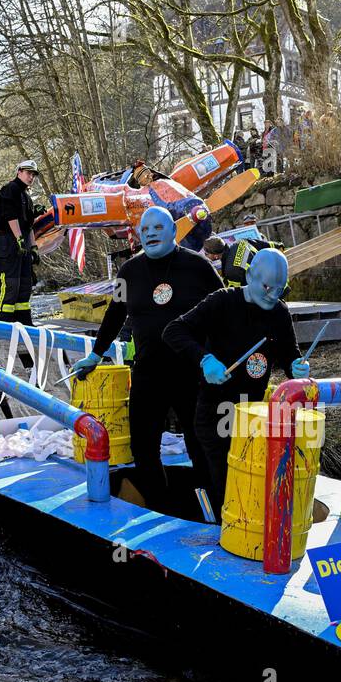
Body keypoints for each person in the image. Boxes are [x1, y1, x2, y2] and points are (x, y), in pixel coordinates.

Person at [72, 206, 222, 510]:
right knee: (143, 445)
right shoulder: (129, 271)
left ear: (172, 231)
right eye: (145, 229)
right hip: (148, 372)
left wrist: (223, 356)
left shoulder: (198, 266)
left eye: (158, 228)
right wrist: (96, 354)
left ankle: (213, 509)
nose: (151, 233)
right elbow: (114, 315)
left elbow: (225, 310)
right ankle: (159, 505)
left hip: (191, 372)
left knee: (200, 444)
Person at [163, 247, 307, 510]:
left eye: (280, 290)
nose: (273, 296)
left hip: (251, 414)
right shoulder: (223, 301)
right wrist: (205, 359)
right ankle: (218, 533)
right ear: (249, 275)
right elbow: (174, 330)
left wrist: (296, 367)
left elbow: (289, 353)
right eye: (267, 287)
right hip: (217, 411)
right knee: (224, 483)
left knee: (249, 482)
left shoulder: (279, 312)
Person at [0, 160, 42, 325]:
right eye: (28, 173)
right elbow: (10, 217)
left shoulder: (26, 197)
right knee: (10, 283)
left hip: (22, 245)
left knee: (25, 284)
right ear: (19, 172)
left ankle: (24, 321)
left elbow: (29, 226)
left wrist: (33, 247)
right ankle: (3, 323)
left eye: (33, 174)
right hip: (6, 244)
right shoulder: (10, 190)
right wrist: (20, 240)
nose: (31, 177)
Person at [202, 233, 275, 288]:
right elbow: (264, 244)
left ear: (216, 256)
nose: (205, 255)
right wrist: (280, 246)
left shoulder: (231, 272)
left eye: (206, 253)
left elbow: (236, 296)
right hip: (276, 274)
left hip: (270, 291)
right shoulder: (241, 242)